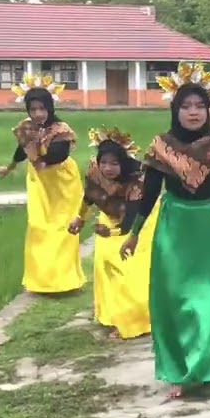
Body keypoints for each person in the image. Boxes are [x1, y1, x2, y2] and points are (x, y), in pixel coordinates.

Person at [120, 63, 210, 401]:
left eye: (200, 105)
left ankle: (209, 368)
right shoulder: (162, 145)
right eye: (186, 106)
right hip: (175, 228)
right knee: (175, 301)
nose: (193, 112)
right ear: (175, 109)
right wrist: (134, 233)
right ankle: (178, 371)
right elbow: (150, 191)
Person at [0, 75, 86, 294]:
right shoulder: (26, 127)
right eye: (33, 109)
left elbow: (58, 155)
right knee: (39, 227)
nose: (38, 114)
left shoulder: (60, 130)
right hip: (40, 183)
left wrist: (40, 158)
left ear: (50, 108)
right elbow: (22, 150)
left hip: (62, 183)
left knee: (63, 229)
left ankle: (65, 282)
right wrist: (11, 166)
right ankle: (42, 282)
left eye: (42, 109)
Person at [69, 128, 155, 340]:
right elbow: (89, 196)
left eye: (114, 163)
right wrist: (80, 218)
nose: (107, 168)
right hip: (109, 219)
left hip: (138, 226)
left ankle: (134, 321)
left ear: (123, 164)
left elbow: (130, 222)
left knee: (128, 272)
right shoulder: (94, 170)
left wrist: (110, 232)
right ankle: (113, 316)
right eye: (104, 162)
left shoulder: (136, 181)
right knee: (105, 267)